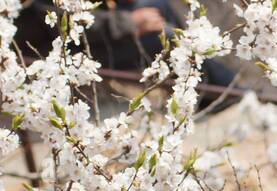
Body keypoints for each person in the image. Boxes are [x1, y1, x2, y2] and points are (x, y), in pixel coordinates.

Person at [15, 0, 239, 109]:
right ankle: (226, 91)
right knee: (164, 36)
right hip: (67, 51)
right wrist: (129, 22)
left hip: (97, 29)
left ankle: (189, 88)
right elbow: (65, 23)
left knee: (157, 6)